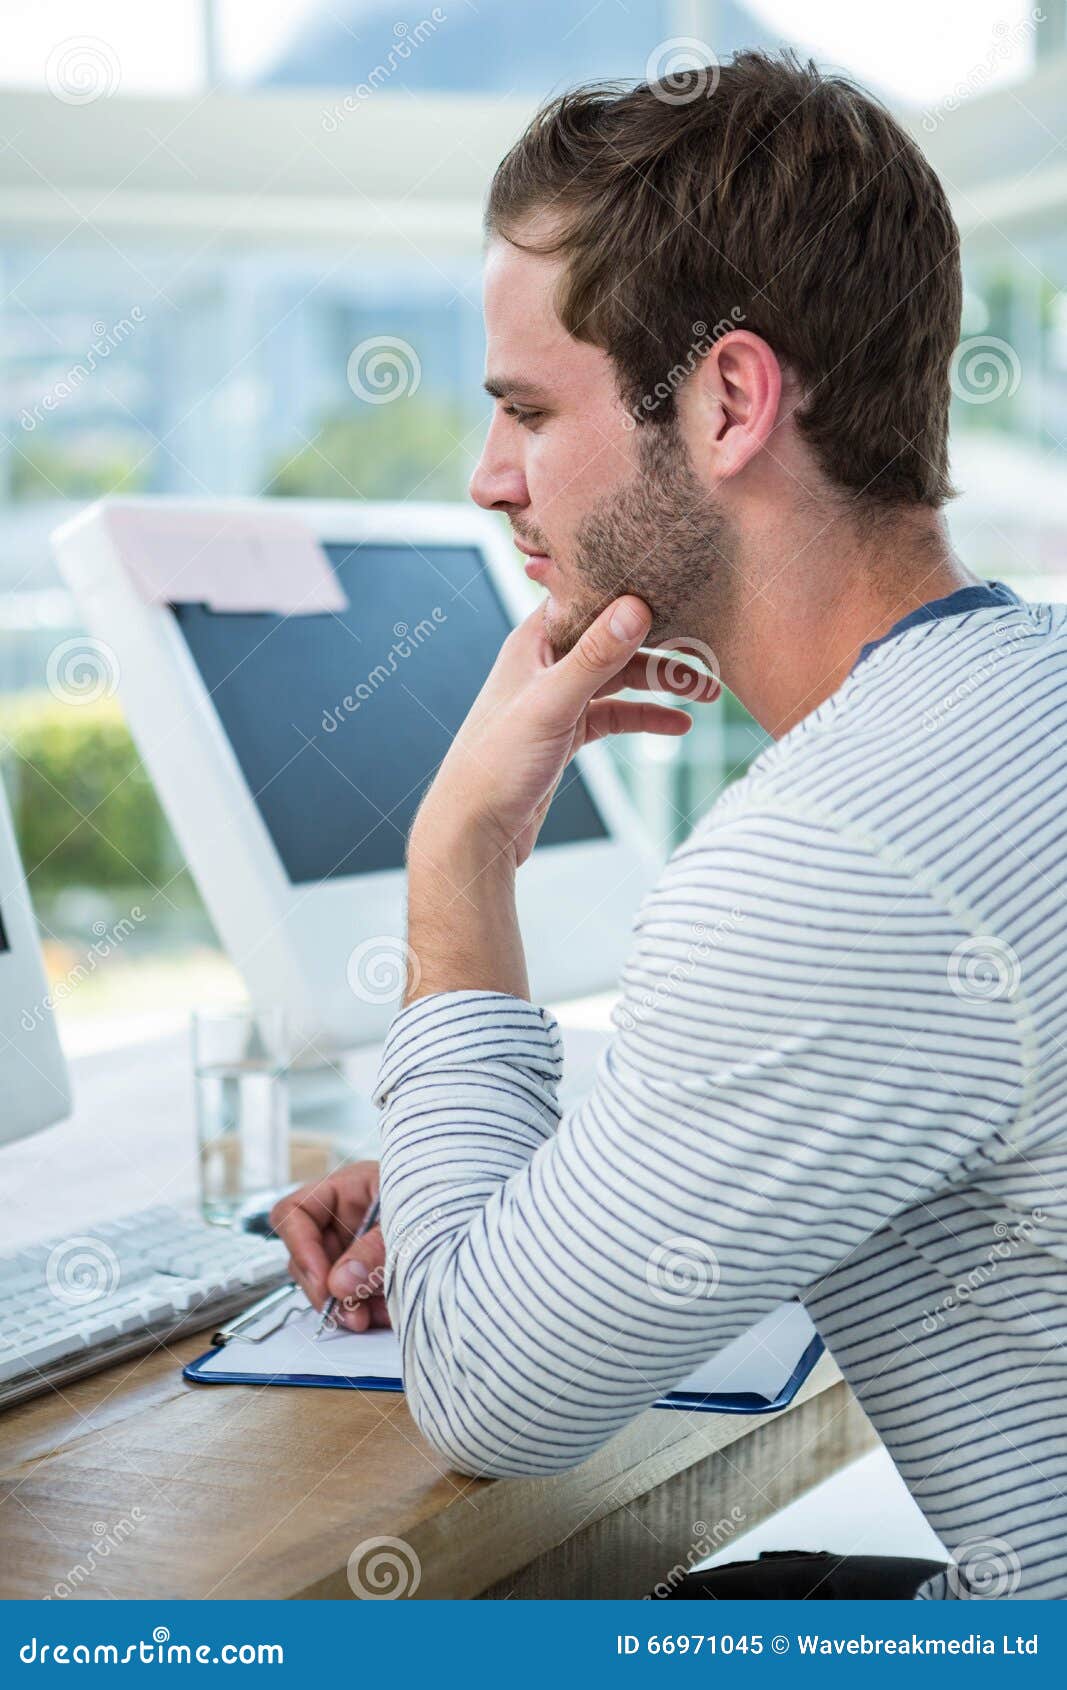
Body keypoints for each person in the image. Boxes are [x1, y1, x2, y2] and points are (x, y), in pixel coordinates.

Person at [273, 50, 1067, 1599]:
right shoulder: (1020, 696)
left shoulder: (837, 850)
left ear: (725, 400)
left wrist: (460, 863)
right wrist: (551, 1179)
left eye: (524, 410)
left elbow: (488, 1393)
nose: (489, 476)